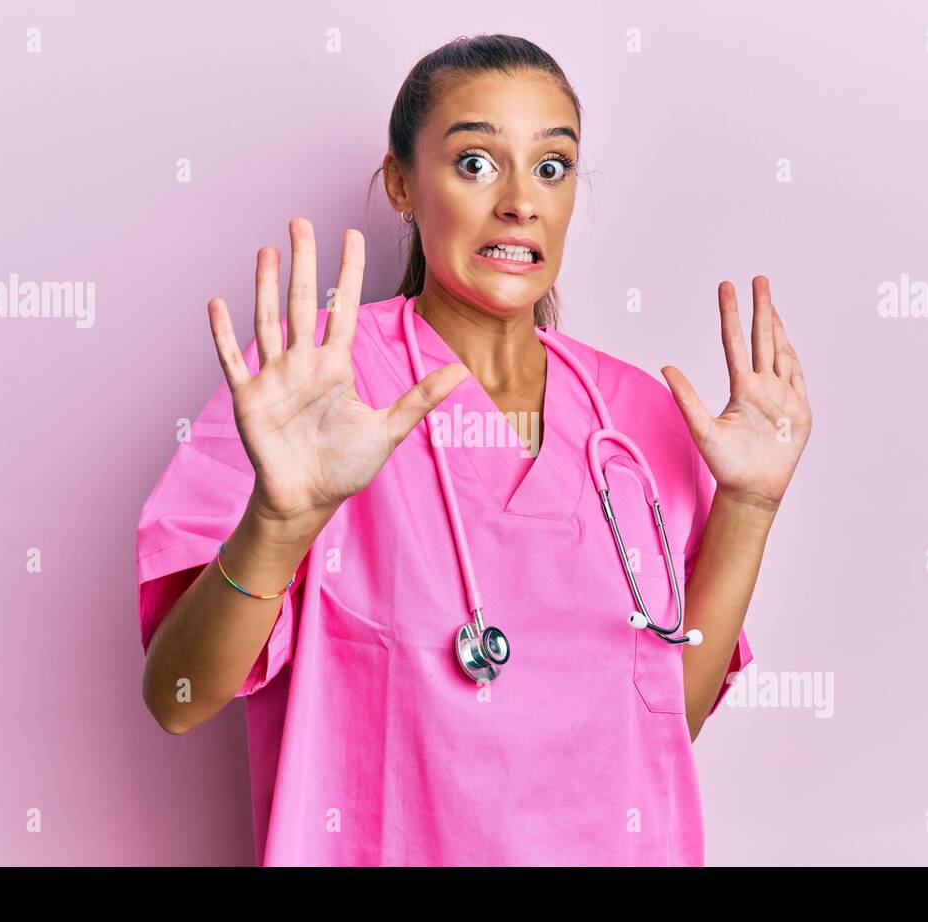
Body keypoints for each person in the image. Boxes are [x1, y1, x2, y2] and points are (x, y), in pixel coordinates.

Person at [135, 34, 811, 866]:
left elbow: (666, 726)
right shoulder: (313, 390)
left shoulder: (637, 422)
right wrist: (280, 521)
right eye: (477, 163)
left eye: (552, 168)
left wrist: (749, 507)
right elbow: (177, 699)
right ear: (401, 186)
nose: (521, 202)